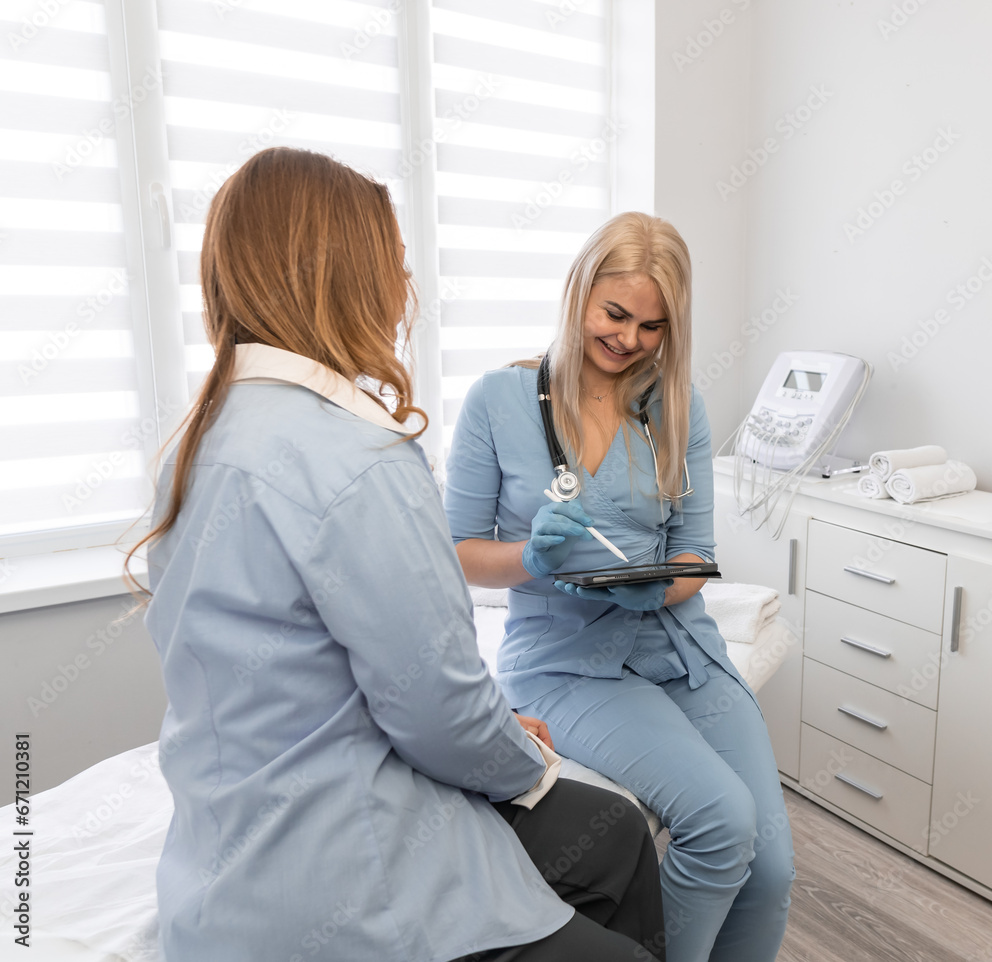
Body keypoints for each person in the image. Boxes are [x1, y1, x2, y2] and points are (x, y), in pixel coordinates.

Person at [126, 147, 666, 962]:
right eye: (395, 265)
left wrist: (487, 724)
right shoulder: (359, 457)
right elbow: (435, 708)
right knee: (611, 881)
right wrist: (521, 756)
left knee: (614, 829)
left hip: (219, 858)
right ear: (348, 277)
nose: (403, 289)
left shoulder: (197, 443)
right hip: (344, 882)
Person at [444, 211, 796, 962]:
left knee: (770, 868)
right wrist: (531, 561)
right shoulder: (497, 403)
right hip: (567, 663)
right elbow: (459, 552)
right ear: (579, 291)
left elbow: (696, 555)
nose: (629, 339)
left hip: (681, 649)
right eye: (615, 313)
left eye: (652, 325)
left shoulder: (677, 406)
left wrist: (657, 591)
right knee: (721, 823)